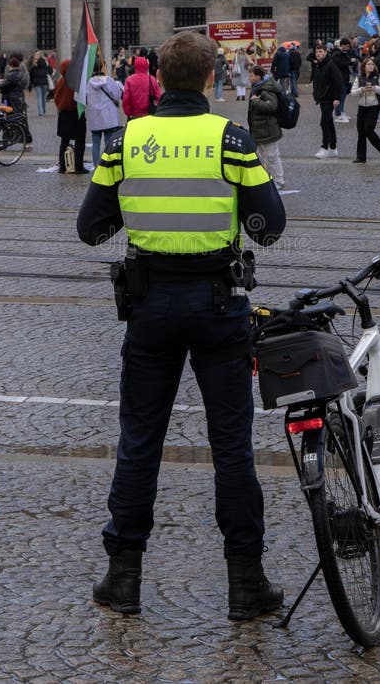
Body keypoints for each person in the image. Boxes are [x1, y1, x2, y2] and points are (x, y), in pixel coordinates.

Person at [77, 30, 286, 621]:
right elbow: (270, 226)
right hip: (220, 307)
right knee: (232, 449)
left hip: (150, 308)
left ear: (159, 81)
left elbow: (90, 228)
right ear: (211, 79)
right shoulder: (231, 139)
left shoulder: (127, 139)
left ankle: (123, 578)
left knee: (139, 442)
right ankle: (246, 583)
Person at [248, 64, 285, 189]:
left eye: (251, 75)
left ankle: (279, 181)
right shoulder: (257, 88)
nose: (249, 78)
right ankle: (267, 179)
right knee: (262, 156)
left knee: (272, 156)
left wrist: (256, 101)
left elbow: (272, 106)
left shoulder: (266, 89)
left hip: (268, 129)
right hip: (260, 129)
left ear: (258, 76)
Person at [350, 57, 380, 163]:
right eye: (368, 64)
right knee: (361, 132)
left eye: (372, 64)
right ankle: (361, 157)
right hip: (362, 106)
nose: (371, 66)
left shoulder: (379, 76)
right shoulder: (359, 78)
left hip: (374, 106)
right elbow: (353, 92)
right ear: (363, 67)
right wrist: (361, 89)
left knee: (368, 130)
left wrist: (375, 88)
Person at [86, 58, 124, 166]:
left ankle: (96, 165)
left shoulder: (89, 82)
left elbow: (86, 98)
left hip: (95, 117)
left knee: (96, 143)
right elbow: (116, 95)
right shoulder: (108, 80)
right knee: (109, 142)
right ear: (103, 67)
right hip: (108, 117)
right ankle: (107, 165)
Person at [53, 59, 87, 173]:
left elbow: (56, 97)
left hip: (63, 114)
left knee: (64, 141)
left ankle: (62, 166)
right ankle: (78, 166)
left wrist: (60, 106)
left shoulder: (60, 81)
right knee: (80, 141)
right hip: (76, 113)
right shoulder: (76, 81)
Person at [312, 43, 342, 158]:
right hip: (322, 98)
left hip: (330, 98)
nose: (318, 54)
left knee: (324, 122)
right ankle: (333, 148)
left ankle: (324, 147)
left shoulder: (330, 65)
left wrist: (337, 98)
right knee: (329, 122)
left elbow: (338, 82)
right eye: (317, 52)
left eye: (320, 52)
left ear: (325, 52)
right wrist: (315, 93)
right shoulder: (319, 65)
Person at [122, 55, 161, 119]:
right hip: (150, 114)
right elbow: (158, 97)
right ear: (146, 65)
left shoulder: (129, 80)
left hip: (135, 115)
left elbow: (126, 100)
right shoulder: (152, 79)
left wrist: (129, 113)